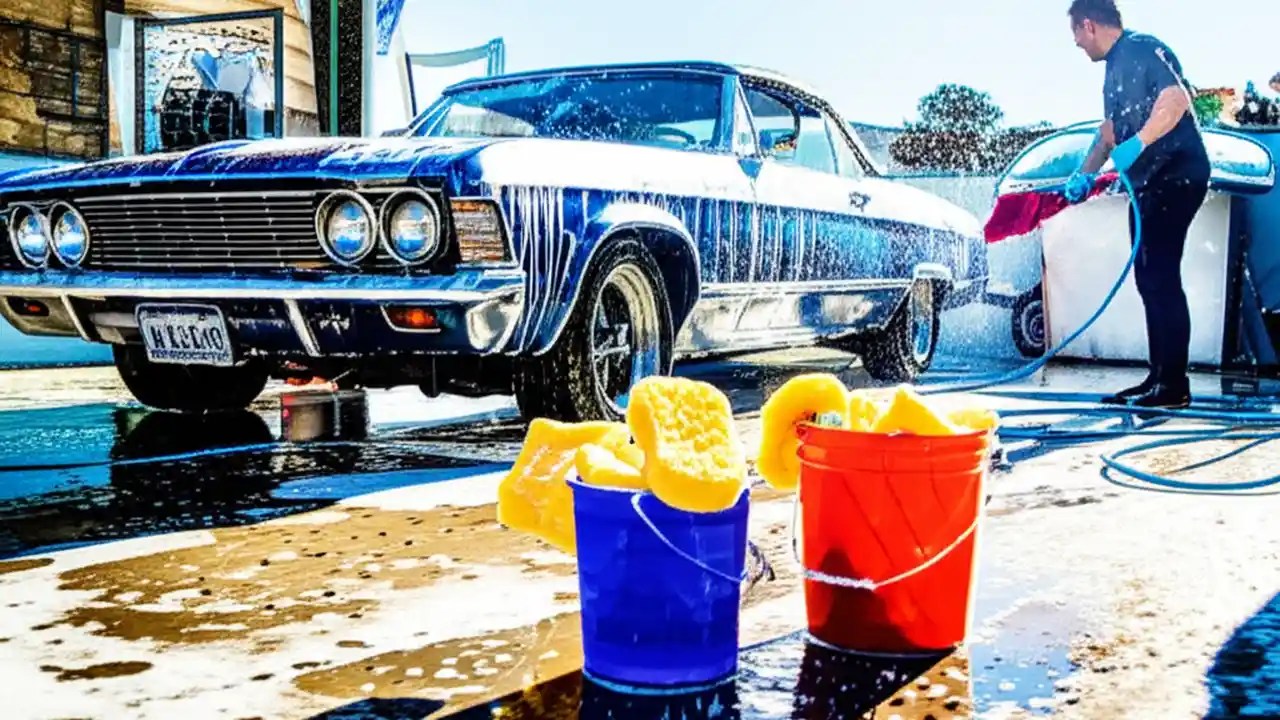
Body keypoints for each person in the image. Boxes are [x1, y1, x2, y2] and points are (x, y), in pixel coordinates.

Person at [1063, 0, 1211, 409]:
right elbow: (1109, 132)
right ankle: (1158, 379)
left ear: (1088, 25)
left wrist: (1141, 142)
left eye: (1076, 35)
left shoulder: (1143, 48)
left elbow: (1176, 99)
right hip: (1146, 185)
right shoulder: (1111, 72)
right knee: (1148, 277)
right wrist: (1086, 172)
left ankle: (1174, 386)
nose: (1077, 44)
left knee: (1160, 275)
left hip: (1177, 174)